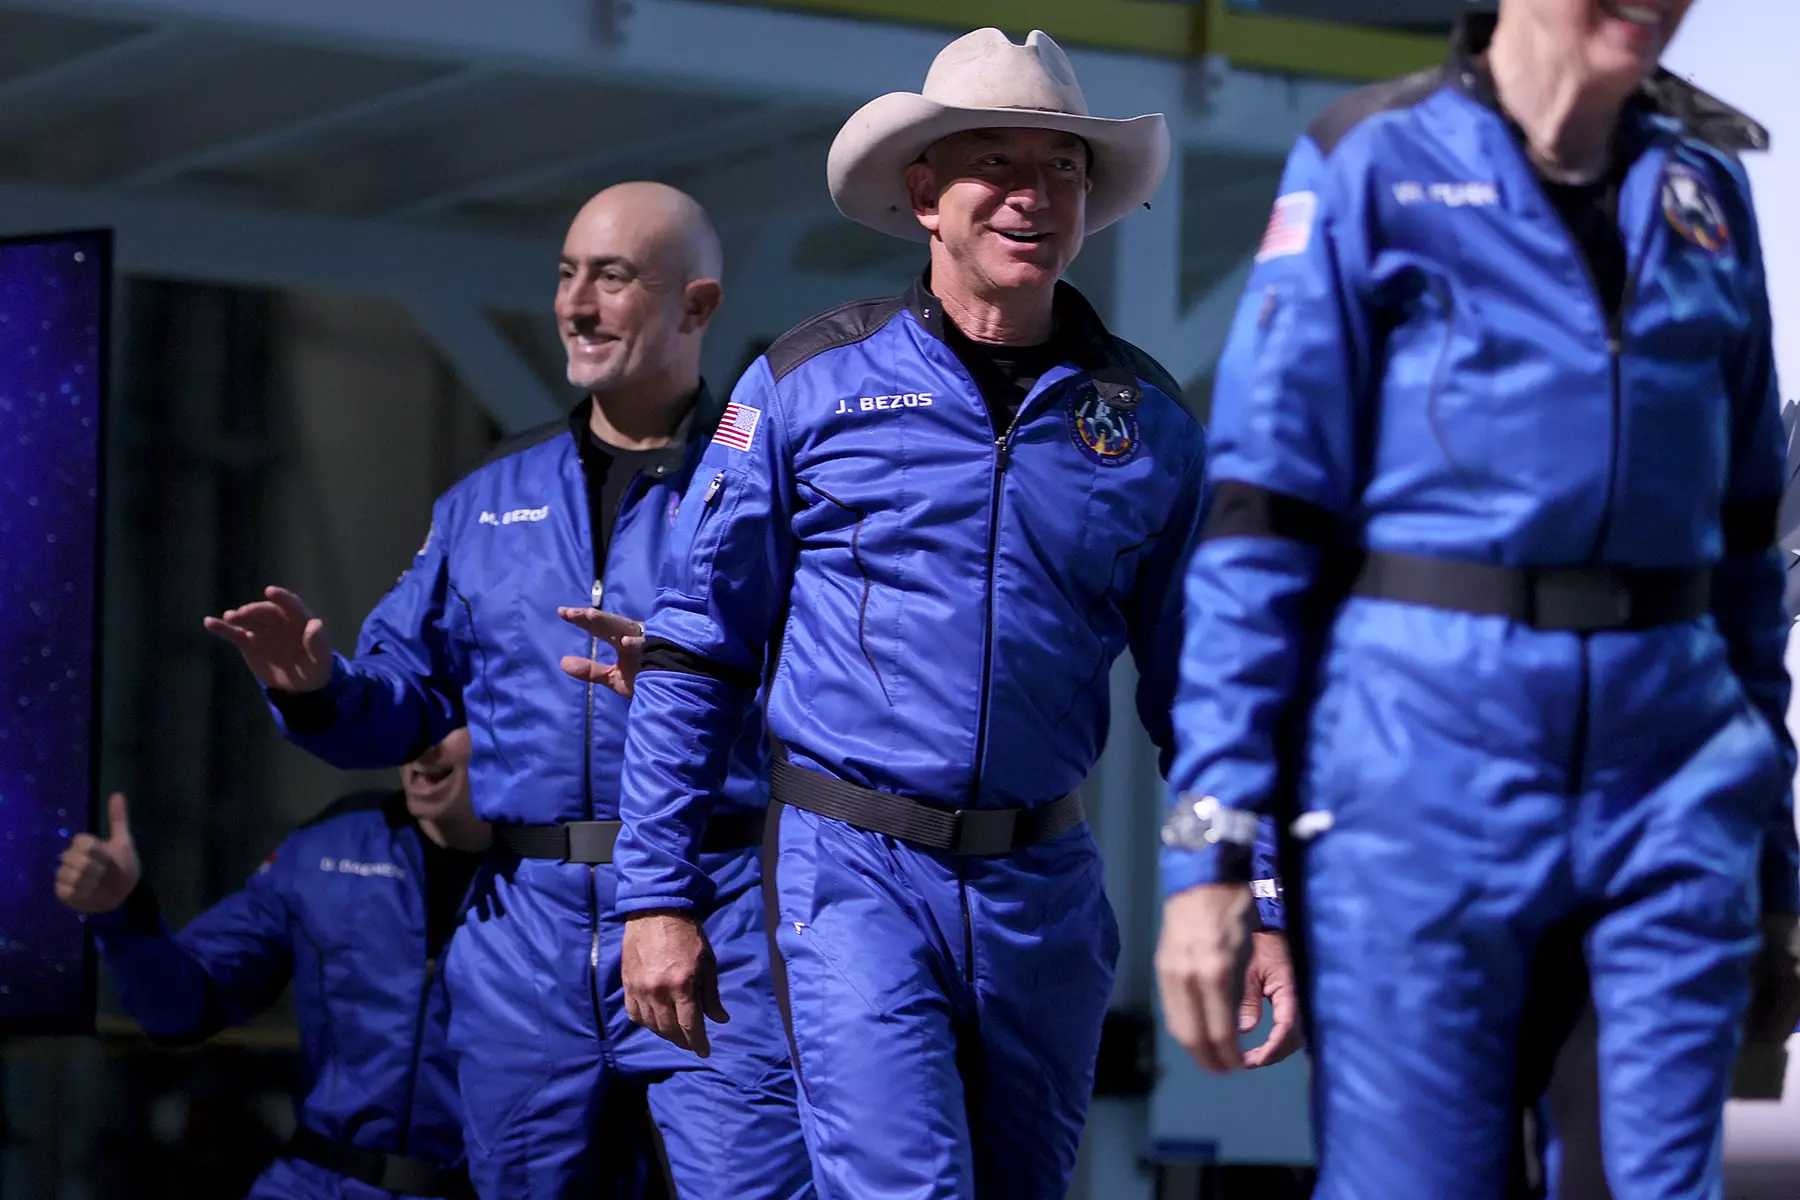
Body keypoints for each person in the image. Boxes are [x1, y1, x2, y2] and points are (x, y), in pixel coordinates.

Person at [610, 28, 1298, 1199]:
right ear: (924, 191)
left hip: (1048, 895)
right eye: (998, 163)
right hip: (851, 874)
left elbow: (1211, 702)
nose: (1035, 196)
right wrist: (656, 892)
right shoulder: (803, 384)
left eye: (1065, 168)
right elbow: (693, 653)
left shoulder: (1150, 427)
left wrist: (1258, 891)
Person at [1154, 3, 1800, 1197]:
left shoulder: (1707, 194)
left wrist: (1774, 877)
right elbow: (1259, 535)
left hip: (1674, 796)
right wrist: (1212, 859)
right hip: (1417, 799)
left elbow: (1755, 553)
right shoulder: (1369, 163)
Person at [202, 183, 813, 1199]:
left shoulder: (762, 487)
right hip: (525, 939)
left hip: (717, 916)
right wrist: (316, 688)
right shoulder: (490, 498)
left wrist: (698, 690)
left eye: (613, 278)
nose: (576, 304)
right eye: (568, 274)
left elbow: (838, 699)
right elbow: (402, 703)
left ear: (697, 307)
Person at [55, 729, 487, 1200]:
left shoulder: (557, 873)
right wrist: (122, 913)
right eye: (415, 718)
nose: (423, 744)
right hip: (315, 1184)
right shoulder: (328, 846)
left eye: (448, 723)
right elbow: (180, 1009)